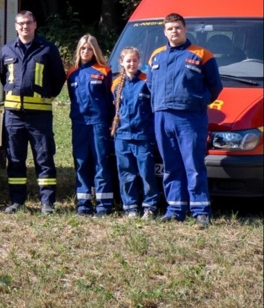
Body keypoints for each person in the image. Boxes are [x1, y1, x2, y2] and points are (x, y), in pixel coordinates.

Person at [146, 13, 222, 227]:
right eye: (170, 28)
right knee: (170, 164)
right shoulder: (156, 56)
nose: (174, 31)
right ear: (164, 31)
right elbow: (151, 85)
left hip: (190, 119)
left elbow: (215, 87)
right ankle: (175, 208)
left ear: (185, 28)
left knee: (194, 165)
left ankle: (200, 211)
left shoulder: (202, 55)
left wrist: (198, 102)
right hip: (162, 116)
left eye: (177, 27)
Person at [0, 11, 66, 214]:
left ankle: (47, 202)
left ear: (35, 24)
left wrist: (44, 96)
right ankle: (17, 200)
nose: (24, 27)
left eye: (28, 23)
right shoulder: (7, 50)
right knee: (15, 159)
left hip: (39, 115)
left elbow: (58, 78)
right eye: (20, 23)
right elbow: (4, 78)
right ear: (15, 25)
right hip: (13, 116)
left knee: (44, 158)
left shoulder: (47, 49)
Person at [66, 34, 116, 216]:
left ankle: (103, 205)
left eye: (89, 48)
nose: (86, 52)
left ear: (95, 51)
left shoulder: (104, 71)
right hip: (79, 123)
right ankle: (83, 204)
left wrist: (110, 122)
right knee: (81, 162)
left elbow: (110, 99)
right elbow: (72, 99)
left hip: (98, 123)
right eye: (82, 48)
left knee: (101, 162)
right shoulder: (72, 72)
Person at [111, 47, 161, 220]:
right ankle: (130, 207)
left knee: (146, 173)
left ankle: (150, 206)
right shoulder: (117, 84)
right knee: (126, 173)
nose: (131, 64)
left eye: (134, 61)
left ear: (139, 61)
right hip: (122, 136)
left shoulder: (147, 81)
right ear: (122, 63)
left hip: (143, 136)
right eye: (128, 61)